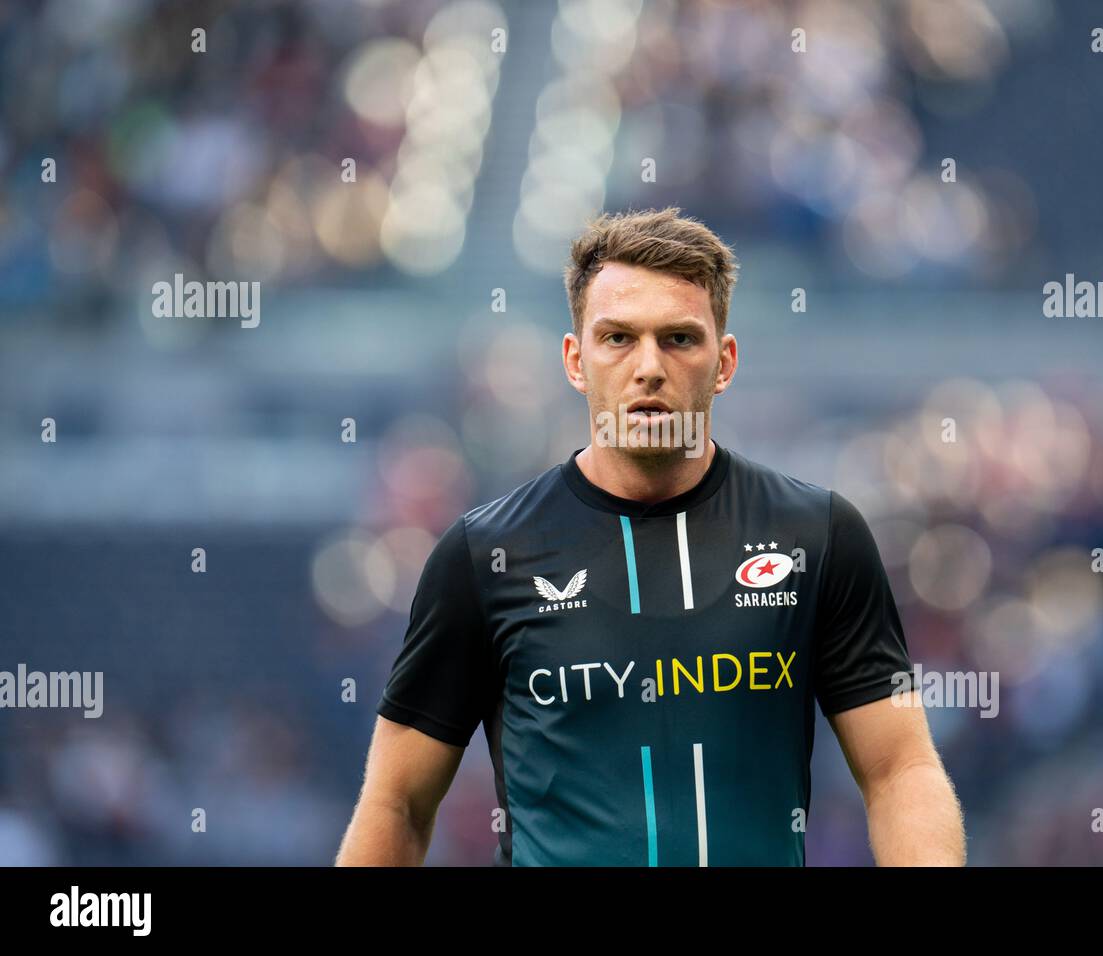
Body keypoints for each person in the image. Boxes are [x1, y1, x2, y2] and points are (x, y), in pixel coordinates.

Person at [337, 207, 965, 866]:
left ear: (723, 362)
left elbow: (899, 770)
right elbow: (397, 804)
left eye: (678, 339)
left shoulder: (818, 535)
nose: (648, 368)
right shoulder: (483, 557)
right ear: (576, 361)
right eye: (617, 338)